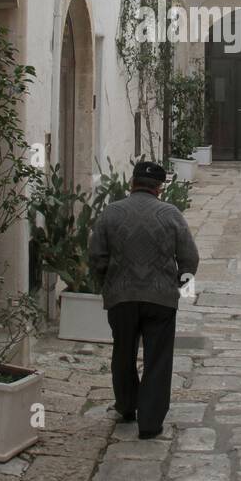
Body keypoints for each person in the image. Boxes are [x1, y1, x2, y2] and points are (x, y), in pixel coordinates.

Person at [89, 160, 200, 439]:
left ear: (132, 183)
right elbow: (189, 258)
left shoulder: (111, 212)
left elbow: (97, 255)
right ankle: (150, 423)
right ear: (160, 188)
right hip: (160, 298)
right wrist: (177, 282)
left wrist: (106, 283)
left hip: (121, 296)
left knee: (123, 352)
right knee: (158, 359)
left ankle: (127, 406)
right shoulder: (171, 214)